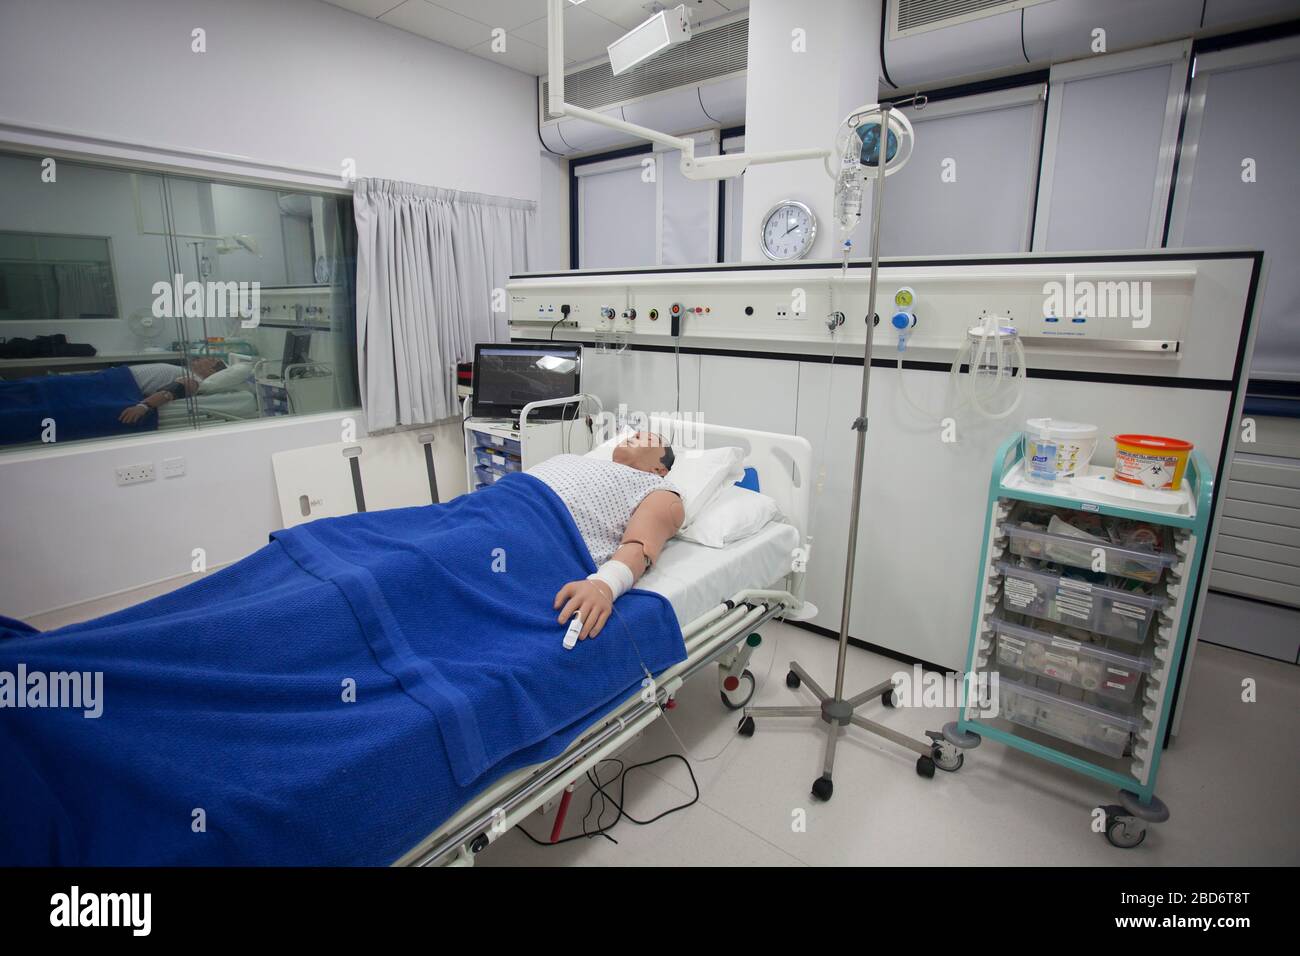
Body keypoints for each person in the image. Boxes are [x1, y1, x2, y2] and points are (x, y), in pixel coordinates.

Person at [526, 431, 684, 642]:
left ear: (659, 469)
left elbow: (640, 544)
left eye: (648, 438)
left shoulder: (659, 489)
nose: (636, 434)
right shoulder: (572, 459)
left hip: (537, 530)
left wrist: (606, 583)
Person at [118, 358, 226, 424]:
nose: (203, 358)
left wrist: (144, 406)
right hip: (120, 375)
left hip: (121, 381)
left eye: (210, 359)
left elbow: (178, 388)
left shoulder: (195, 379)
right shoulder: (186, 371)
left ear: (211, 370)